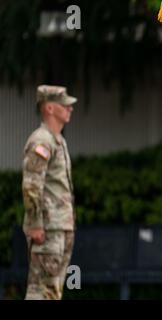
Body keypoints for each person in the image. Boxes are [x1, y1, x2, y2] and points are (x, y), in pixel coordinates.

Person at [22, 85, 77, 300]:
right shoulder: (41, 141)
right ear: (50, 108)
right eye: (65, 105)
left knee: (52, 290)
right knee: (41, 290)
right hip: (48, 227)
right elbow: (32, 185)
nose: (70, 109)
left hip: (60, 227)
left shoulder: (57, 141)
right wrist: (35, 222)